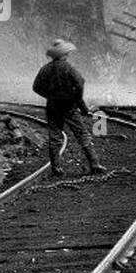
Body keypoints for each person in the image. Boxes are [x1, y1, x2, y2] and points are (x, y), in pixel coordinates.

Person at [31, 39, 106, 178]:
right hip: (69, 106)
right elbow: (80, 83)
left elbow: (36, 87)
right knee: (82, 133)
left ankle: (56, 168)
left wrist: (49, 96)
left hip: (53, 106)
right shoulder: (68, 68)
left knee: (55, 136)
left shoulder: (45, 69)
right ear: (64, 54)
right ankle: (94, 163)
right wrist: (80, 103)